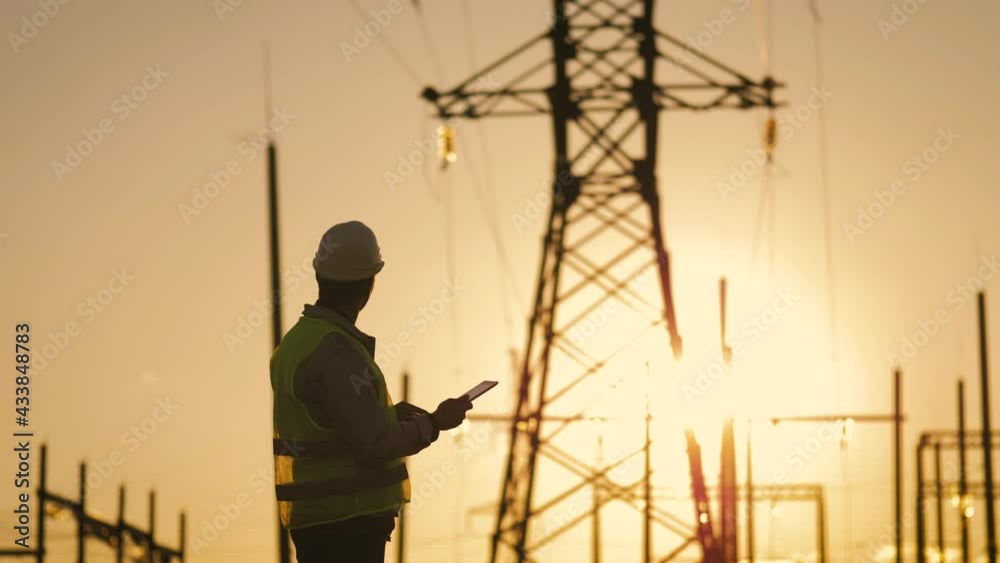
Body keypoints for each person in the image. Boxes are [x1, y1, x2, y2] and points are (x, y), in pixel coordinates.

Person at [270, 220, 473, 563]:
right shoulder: (339, 352)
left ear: (320, 276)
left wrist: (389, 417)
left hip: (317, 525)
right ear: (368, 284)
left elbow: (330, 425)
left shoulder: (296, 344)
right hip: (349, 526)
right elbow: (373, 445)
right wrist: (436, 422)